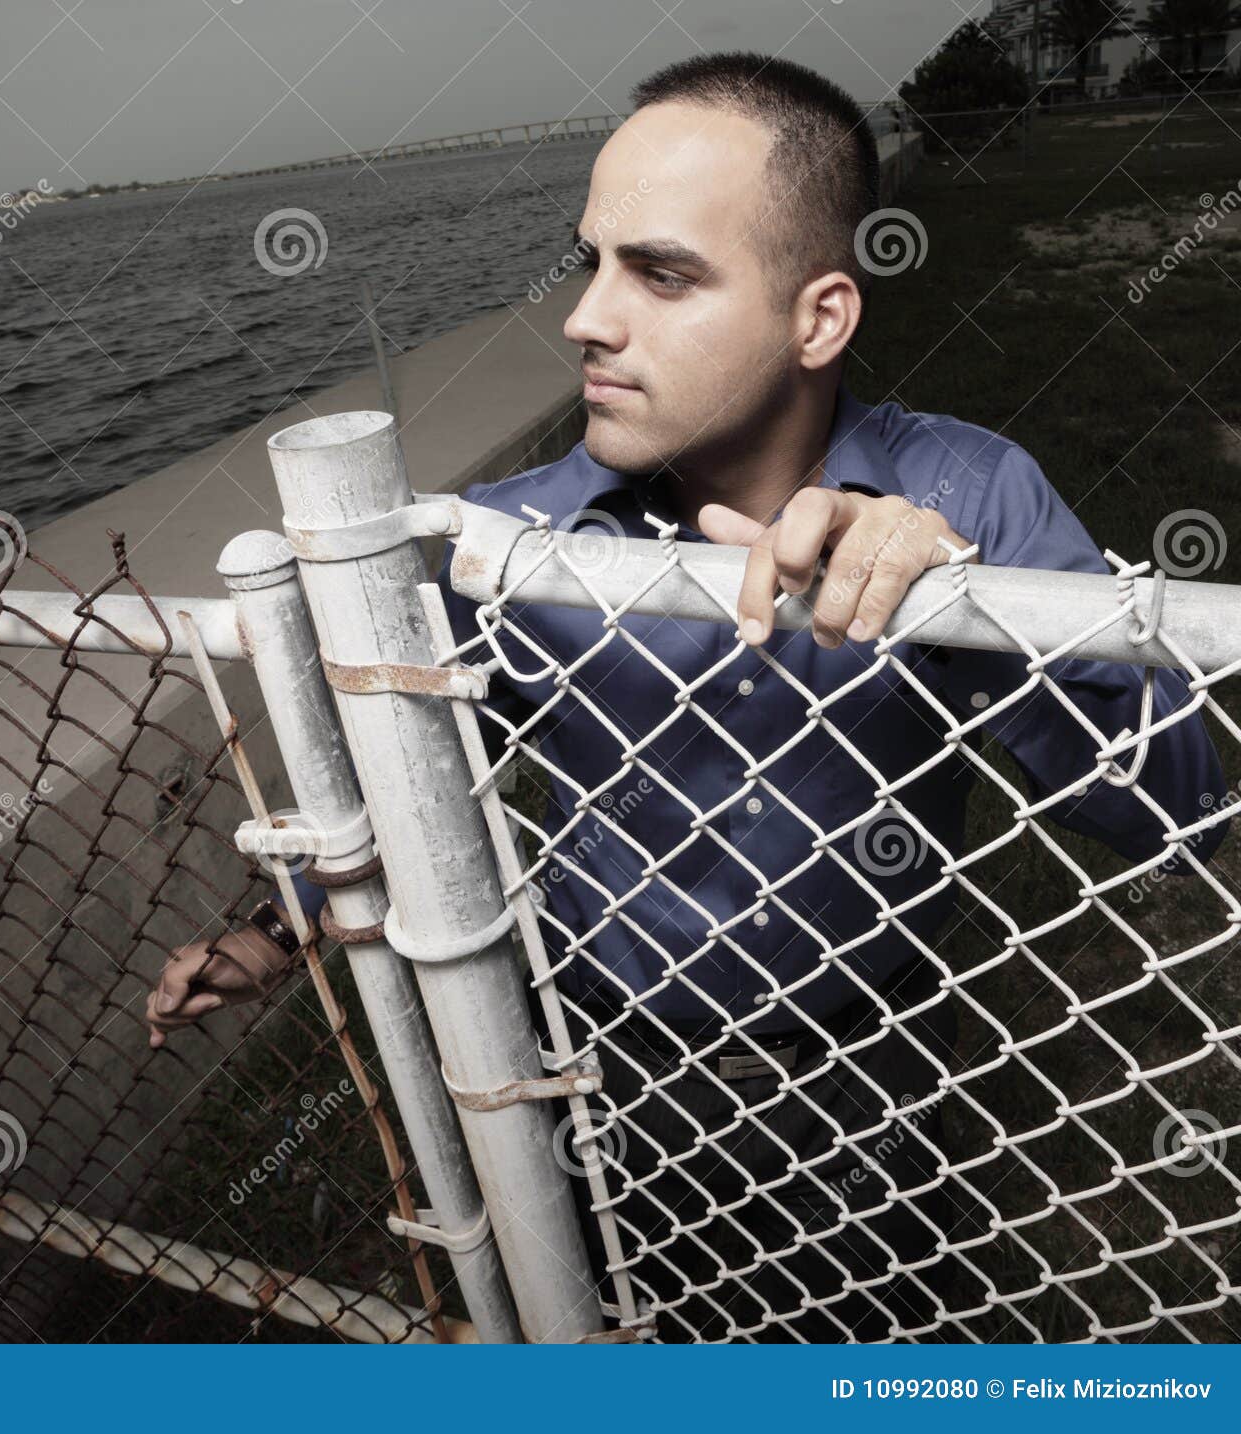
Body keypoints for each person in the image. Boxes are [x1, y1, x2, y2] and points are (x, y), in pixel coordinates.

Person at [146, 52, 1228, 1340]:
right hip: (605, 1072)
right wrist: (276, 925)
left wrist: (969, 613)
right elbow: (410, 766)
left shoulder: (973, 494)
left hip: (880, 1074)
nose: (587, 320)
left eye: (662, 275)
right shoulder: (512, 541)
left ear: (819, 317)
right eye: (590, 261)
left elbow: (1180, 815)